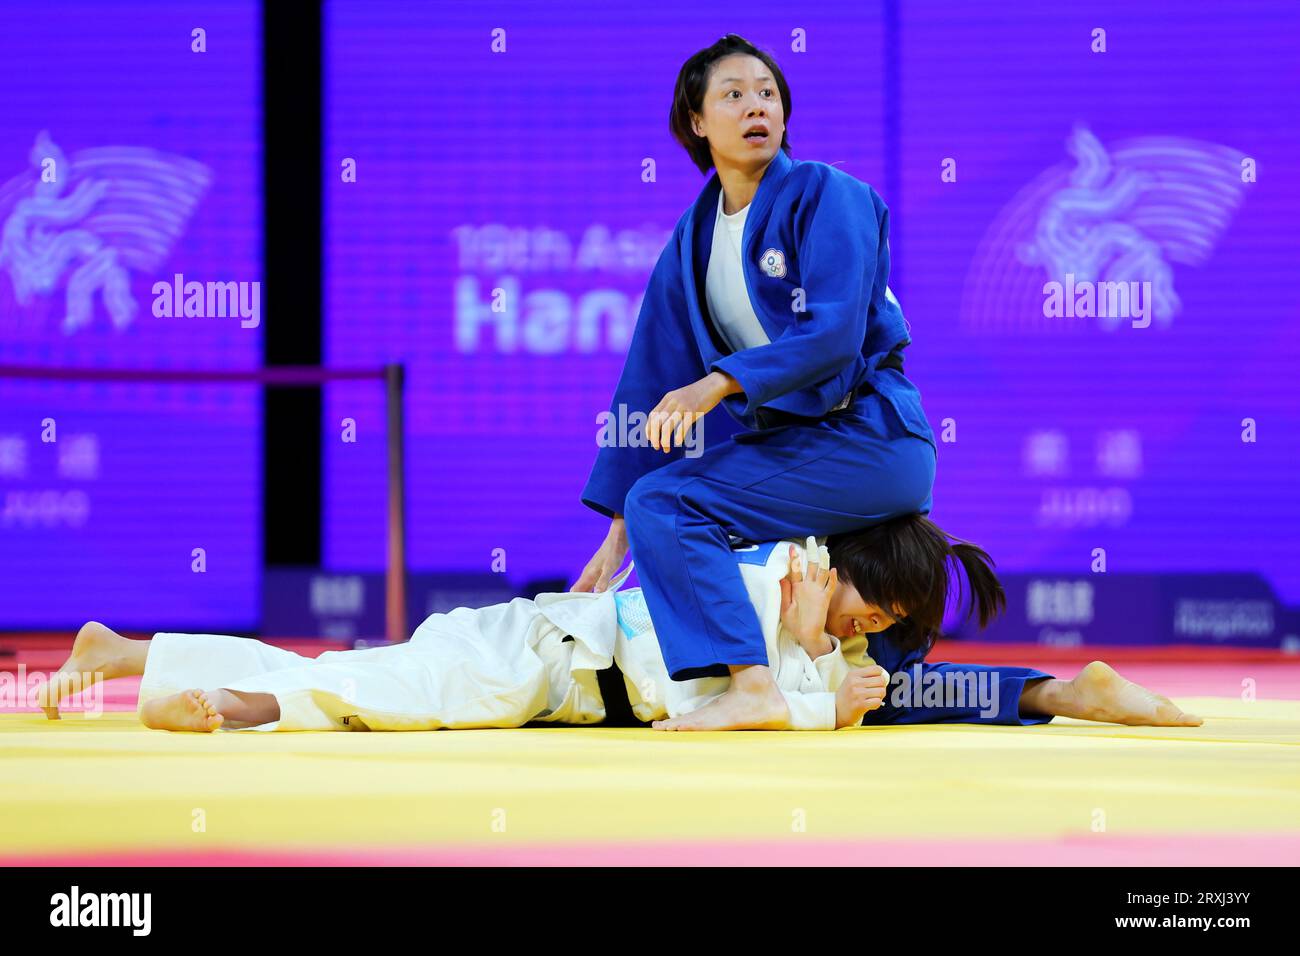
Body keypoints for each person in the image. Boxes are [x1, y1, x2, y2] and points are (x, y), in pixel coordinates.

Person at [575, 34, 941, 736]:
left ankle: (752, 687)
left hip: (871, 435)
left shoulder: (831, 195)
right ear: (696, 122)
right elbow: (649, 383)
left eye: (768, 93)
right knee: (870, 661)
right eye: (734, 95)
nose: (756, 107)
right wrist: (619, 533)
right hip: (805, 451)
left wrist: (716, 386)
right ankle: (1052, 694)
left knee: (674, 505)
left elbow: (832, 336)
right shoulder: (691, 241)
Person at [35, 529, 1200, 733]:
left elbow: (850, 690)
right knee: (379, 689)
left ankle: (132, 654)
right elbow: (681, 693)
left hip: (548, 677)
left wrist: (1049, 687)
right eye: (867, 615)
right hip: (542, 653)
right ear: (844, 575)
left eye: (876, 631)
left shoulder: (805, 617)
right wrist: (803, 690)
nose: (860, 640)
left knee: (365, 680)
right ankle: (201, 688)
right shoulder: (759, 581)